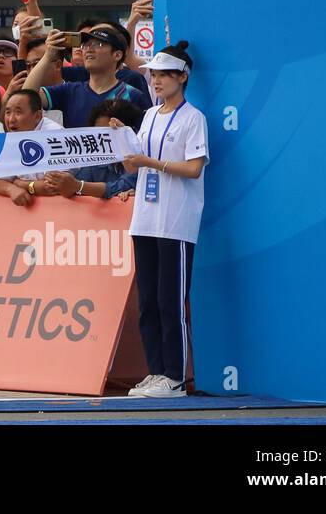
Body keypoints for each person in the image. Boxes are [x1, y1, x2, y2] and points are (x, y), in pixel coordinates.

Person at [118, 42, 209, 399]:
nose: (155, 81)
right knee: (149, 303)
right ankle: (155, 371)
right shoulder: (150, 116)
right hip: (145, 220)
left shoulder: (193, 118)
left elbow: (193, 167)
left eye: (162, 75)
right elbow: (133, 161)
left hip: (176, 222)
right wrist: (120, 138)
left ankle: (175, 378)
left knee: (172, 302)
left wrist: (150, 164)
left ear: (181, 77)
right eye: (152, 75)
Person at [25, 26, 149, 128]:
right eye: (85, 45)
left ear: (117, 55)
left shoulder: (133, 96)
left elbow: (144, 139)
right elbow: (27, 96)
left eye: (98, 44)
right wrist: (48, 56)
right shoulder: (69, 91)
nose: (89, 49)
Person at [40, 98, 144, 201]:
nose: (102, 139)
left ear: (130, 132)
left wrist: (78, 186)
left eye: (108, 133)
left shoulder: (143, 157)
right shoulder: (96, 160)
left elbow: (120, 187)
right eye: (98, 134)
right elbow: (72, 185)